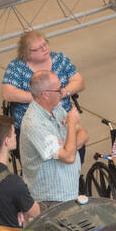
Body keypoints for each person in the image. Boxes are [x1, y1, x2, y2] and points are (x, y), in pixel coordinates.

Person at [19, 70, 87, 207]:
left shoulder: (56, 108)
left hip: (68, 191)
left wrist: (68, 148)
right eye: (58, 89)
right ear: (45, 95)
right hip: (51, 198)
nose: (62, 92)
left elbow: (83, 134)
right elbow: (68, 158)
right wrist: (71, 124)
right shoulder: (34, 123)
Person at [0, 31, 83, 130]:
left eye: (45, 44)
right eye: (39, 48)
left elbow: (79, 82)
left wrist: (64, 92)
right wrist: (40, 98)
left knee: (80, 138)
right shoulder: (17, 66)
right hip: (31, 125)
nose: (45, 48)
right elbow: (7, 93)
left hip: (63, 120)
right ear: (27, 53)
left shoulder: (59, 59)